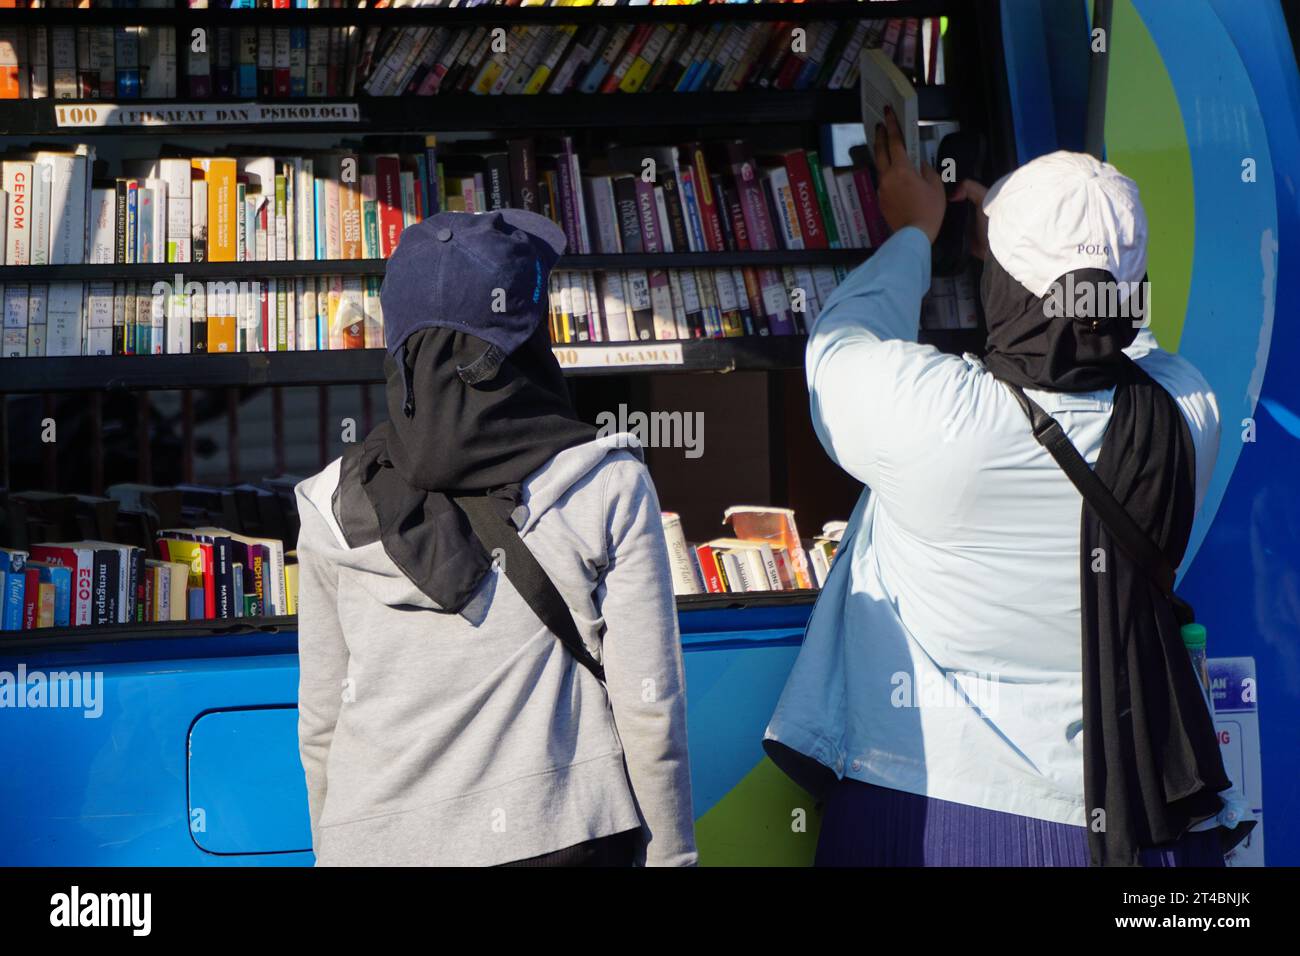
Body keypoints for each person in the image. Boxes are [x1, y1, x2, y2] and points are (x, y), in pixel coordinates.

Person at [765, 109, 1238, 866]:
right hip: (1126, 810)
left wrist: (913, 230)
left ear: (1001, 280)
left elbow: (839, 337)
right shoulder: (1189, 413)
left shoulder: (928, 411)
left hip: (926, 805)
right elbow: (1131, 346)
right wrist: (1064, 261)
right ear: (1131, 288)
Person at [295, 209, 696, 867]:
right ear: (525, 341)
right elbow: (650, 710)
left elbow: (320, 725)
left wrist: (343, 845)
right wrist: (672, 859)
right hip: (560, 835)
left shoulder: (330, 504)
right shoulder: (604, 484)